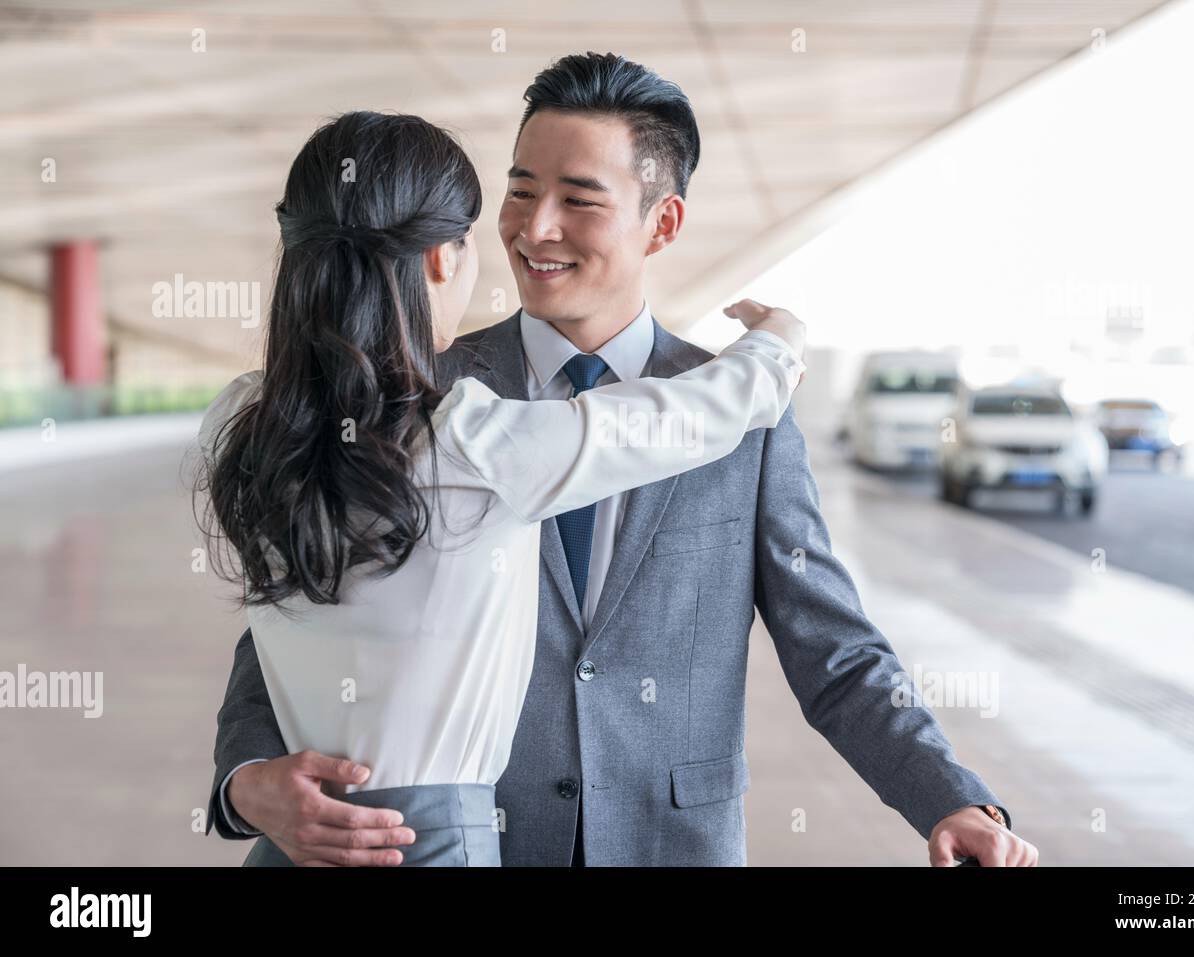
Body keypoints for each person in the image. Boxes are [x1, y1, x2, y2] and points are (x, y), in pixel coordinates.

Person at [210, 54, 1038, 867]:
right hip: (471, 839)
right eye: (521, 190)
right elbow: (295, 611)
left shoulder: (742, 421)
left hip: (668, 845)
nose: (534, 229)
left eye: (578, 199)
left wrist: (949, 795)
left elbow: (833, 646)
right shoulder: (418, 396)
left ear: (663, 222)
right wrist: (248, 780)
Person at [194, 109, 806, 866]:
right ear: (441, 262)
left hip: (297, 844)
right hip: (429, 845)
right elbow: (687, 416)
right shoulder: (479, 444)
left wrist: (249, 781)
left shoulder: (241, 422)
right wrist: (777, 342)